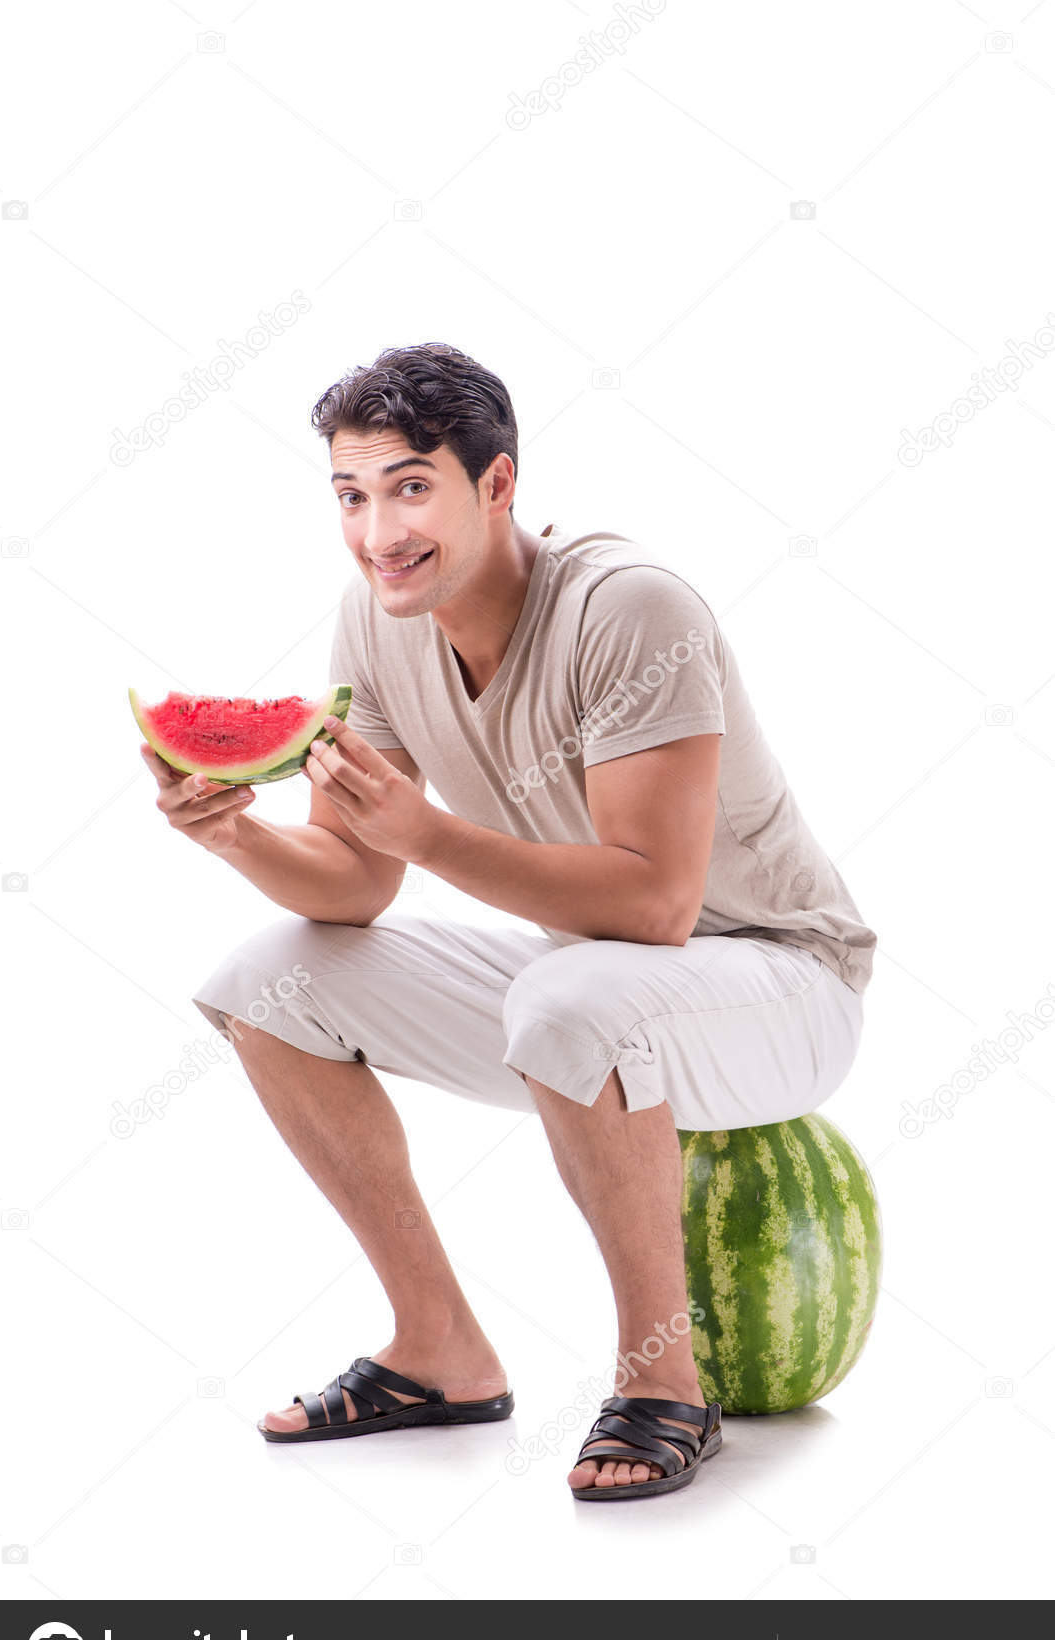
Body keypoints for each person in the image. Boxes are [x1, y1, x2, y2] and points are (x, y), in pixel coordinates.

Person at [141, 342, 876, 1503]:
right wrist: (234, 833)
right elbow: (356, 882)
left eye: (411, 487)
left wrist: (427, 834)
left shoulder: (629, 608)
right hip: (592, 991)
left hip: (781, 980)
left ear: (497, 482)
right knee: (265, 980)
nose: (379, 531)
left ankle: (666, 1381)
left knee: (567, 996)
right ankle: (438, 1345)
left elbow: (658, 903)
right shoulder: (377, 619)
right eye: (351, 494)